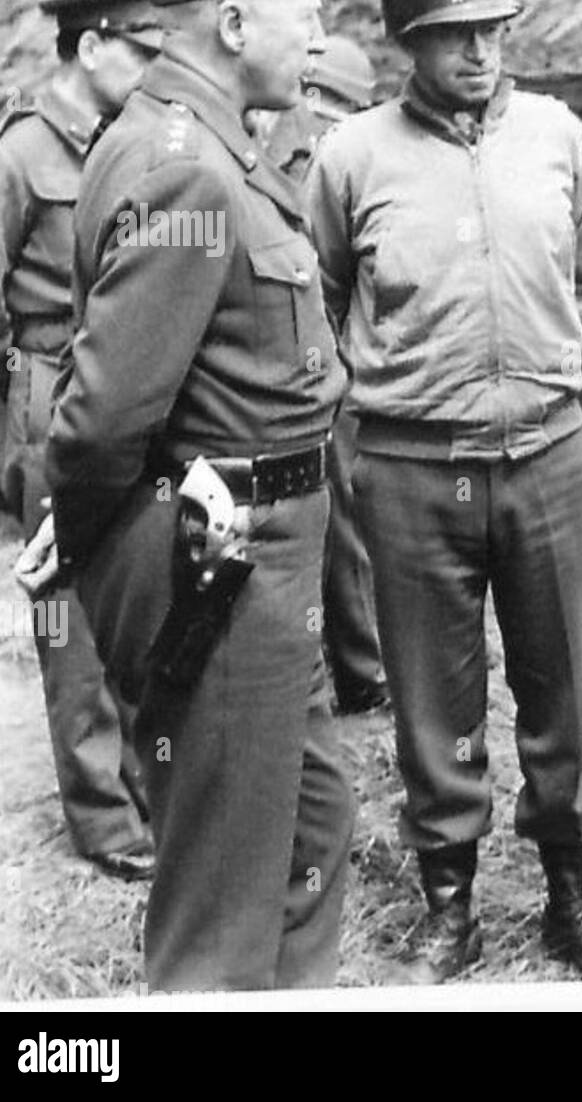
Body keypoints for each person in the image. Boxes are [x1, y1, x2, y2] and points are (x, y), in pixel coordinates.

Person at [19, 0, 356, 992]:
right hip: (222, 560)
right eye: (304, 9)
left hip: (269, 558)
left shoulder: (206, 142)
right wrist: (81, 530)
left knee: (308, 822)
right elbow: (111, 412)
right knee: (222, 888)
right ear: (234, 23)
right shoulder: (187, 167)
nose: (319, 33)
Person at [307, 0, 582, 983]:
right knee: (431, 695)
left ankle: (568, 899)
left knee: (563, 690)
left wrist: (530, 371)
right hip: (409, 467)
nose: (480, 52)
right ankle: (450, 906)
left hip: (548, 452)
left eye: (494, 30)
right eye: (454, 35)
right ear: (409, 39)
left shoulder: (556, 136)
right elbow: (322, 301)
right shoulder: (352, 156)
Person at [0, 0, 162, 881]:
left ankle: (146, 783)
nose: (150, 70)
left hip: (120, 388)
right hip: (50, 390)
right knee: (70, 616)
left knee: (133, 595)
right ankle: (103, 819)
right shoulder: (17, 155)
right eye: (138, 51)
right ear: (90, 48)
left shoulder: (122, 146)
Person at [254, 36, 388, 716]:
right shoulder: (278, 154)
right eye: (325, 102)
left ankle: (358, 665)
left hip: (330, 360)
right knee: (331, 518)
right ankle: (355, 668)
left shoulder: (322, 155)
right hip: (302, 361)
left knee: (344, 516)